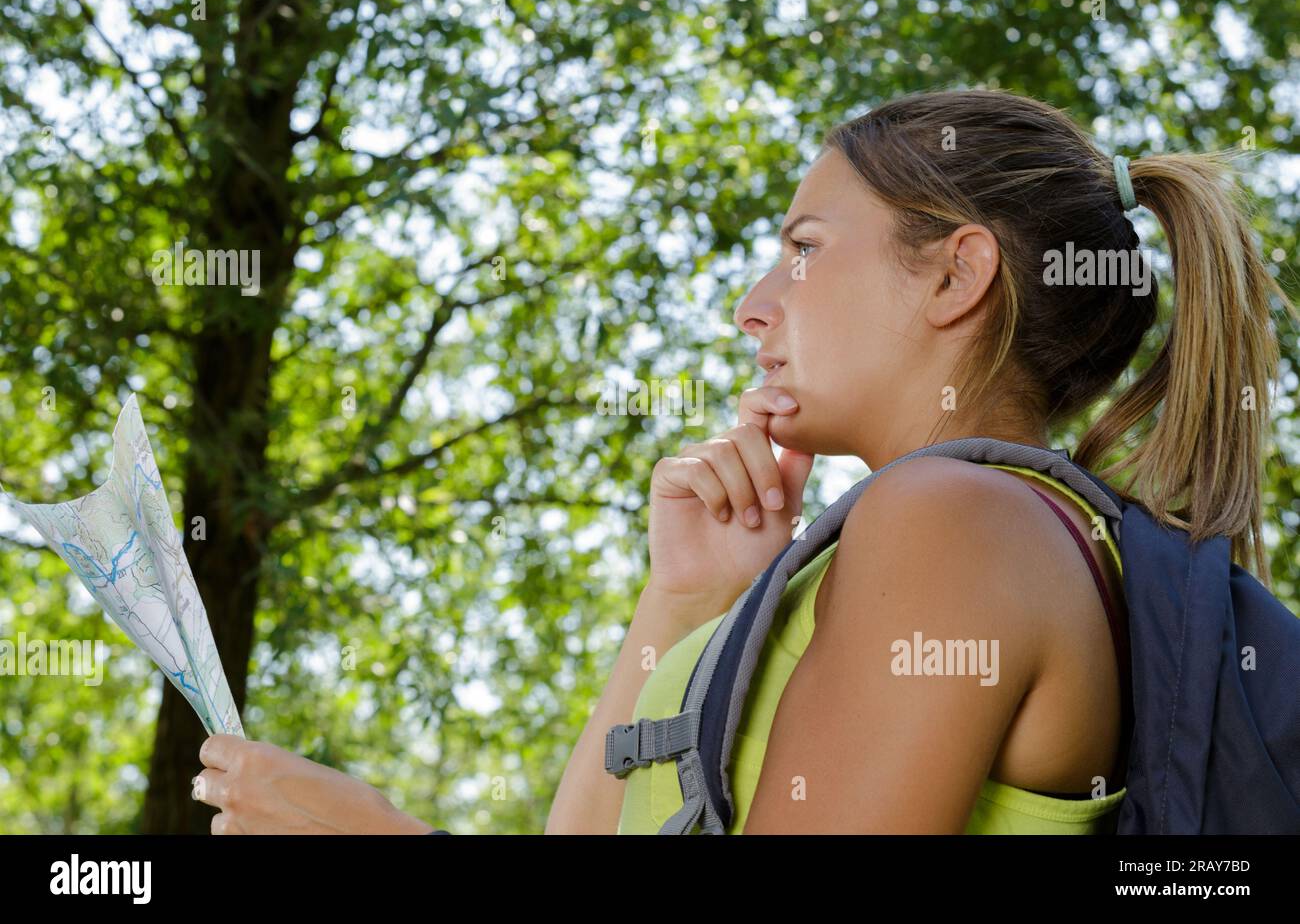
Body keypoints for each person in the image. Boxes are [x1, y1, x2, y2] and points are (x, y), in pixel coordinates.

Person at [194, 88, 1293, 834]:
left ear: (956, 277)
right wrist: (685, 597)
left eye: (804, 249)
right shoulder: (880, 542)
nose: (749, 308)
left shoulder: (955, 519)